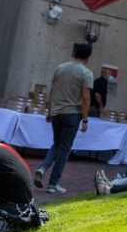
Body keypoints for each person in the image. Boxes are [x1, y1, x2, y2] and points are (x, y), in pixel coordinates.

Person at [33, 43, 92, 194]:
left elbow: (52, 91)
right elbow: (86, 99)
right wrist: (85, 120)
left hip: (56, 113)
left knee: (57, 144)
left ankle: (43, 168)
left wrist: (49, 110)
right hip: (72, 114)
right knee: (64, 149)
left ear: (74, 53)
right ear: (88, 57)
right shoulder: (86, 73)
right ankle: (53, 184)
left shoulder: (60, 68)